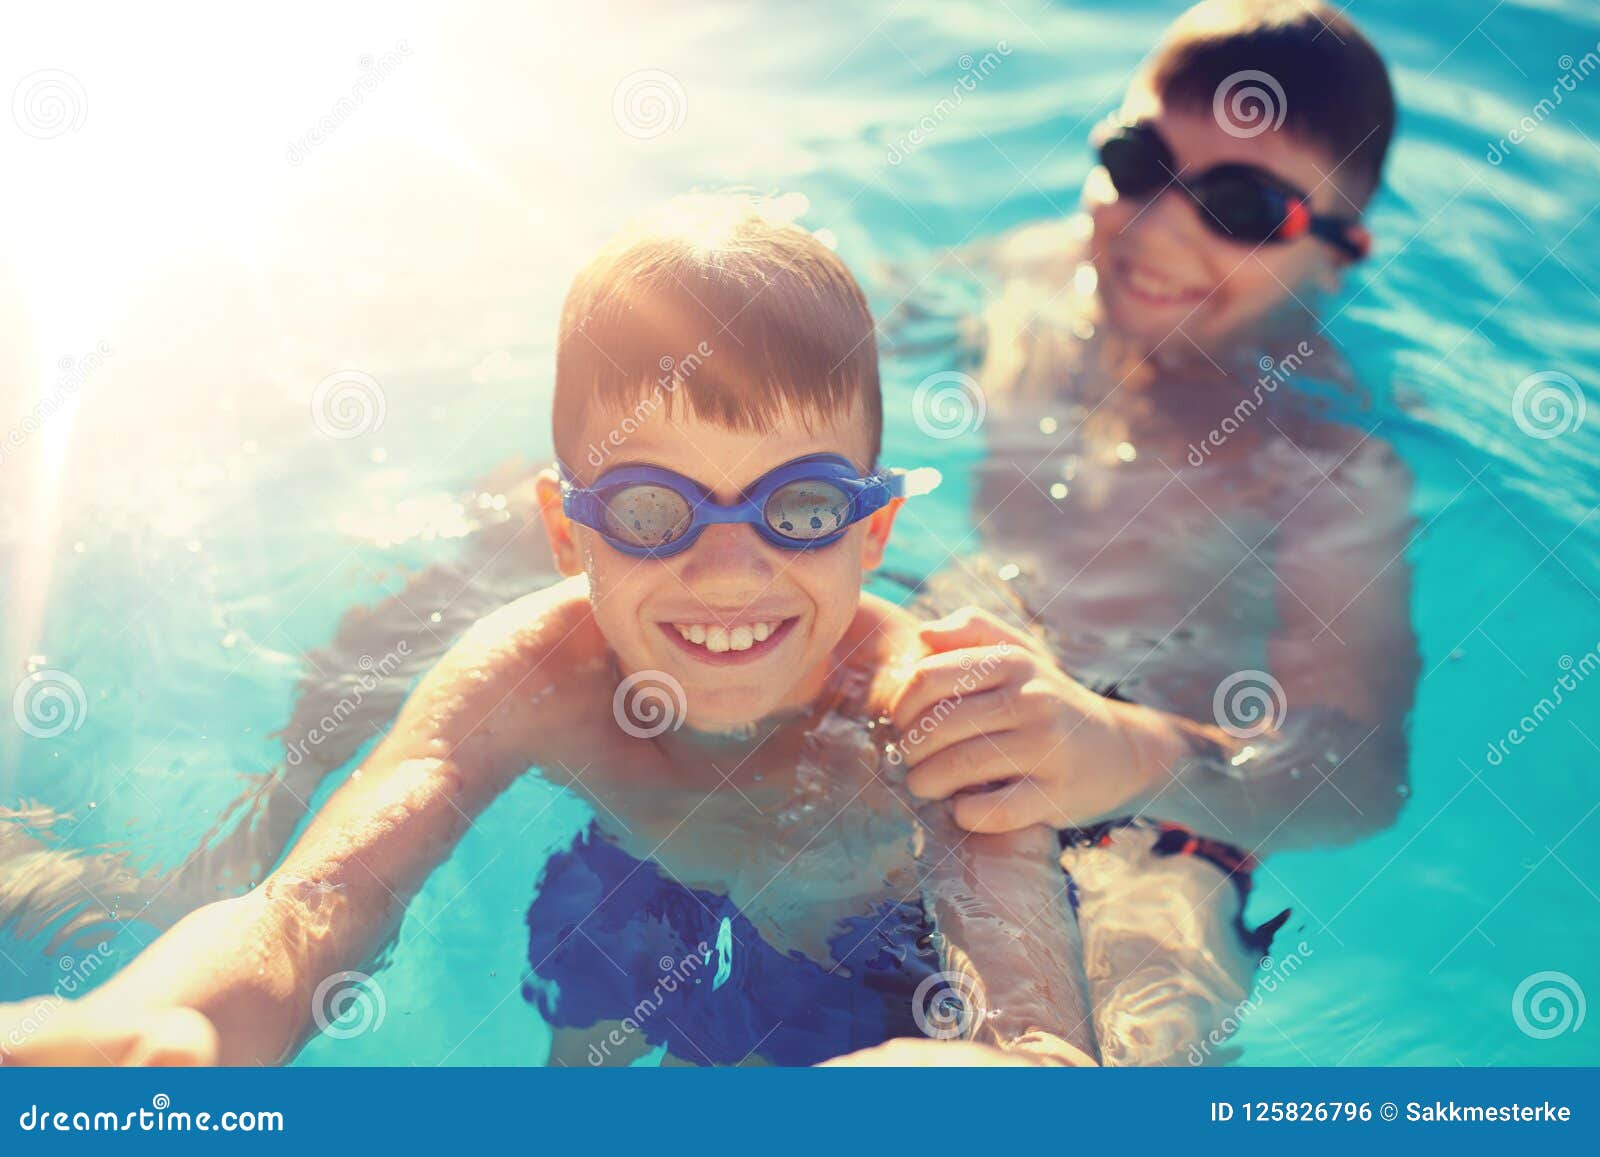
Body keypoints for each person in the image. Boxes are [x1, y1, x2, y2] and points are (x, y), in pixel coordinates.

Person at [1, 195, 1107, 1068]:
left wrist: (1000, 1070)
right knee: (586, 984)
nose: (729, 570)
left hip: (869, 947)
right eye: (648, 507)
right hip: (634, 884)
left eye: (802, 505)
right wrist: (156, 1027)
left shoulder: (930, 711)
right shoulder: (530, 676)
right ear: (564, 532)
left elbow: (1036, 1026)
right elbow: (308, 910)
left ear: (873, 528)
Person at [886, 0, 1419, 1063]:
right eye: (1136, 161)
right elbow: (792, 376)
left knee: (1122, 1056)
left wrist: (1122, 752)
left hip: (1159, 811)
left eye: (1240, 205)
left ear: (1335, 258)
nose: (1158, 225)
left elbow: (1355, 771)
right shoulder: (1021, 284)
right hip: (949, 687)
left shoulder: (1328, 463)